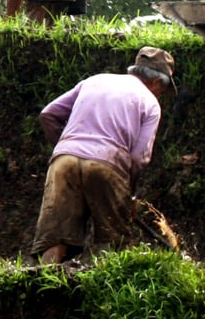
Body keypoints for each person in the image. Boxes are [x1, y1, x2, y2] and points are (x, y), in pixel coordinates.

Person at [30, 46, 175, 265]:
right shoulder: (150, 102)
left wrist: (67, 147)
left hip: (64, 160)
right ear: (157, 83)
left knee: (55, 235)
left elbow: (48, 114)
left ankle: (45, 287)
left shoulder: (94, 81)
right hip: (109, 165)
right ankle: (107, 291)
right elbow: (139, 158)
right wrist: (129, 195)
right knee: (114, 239)